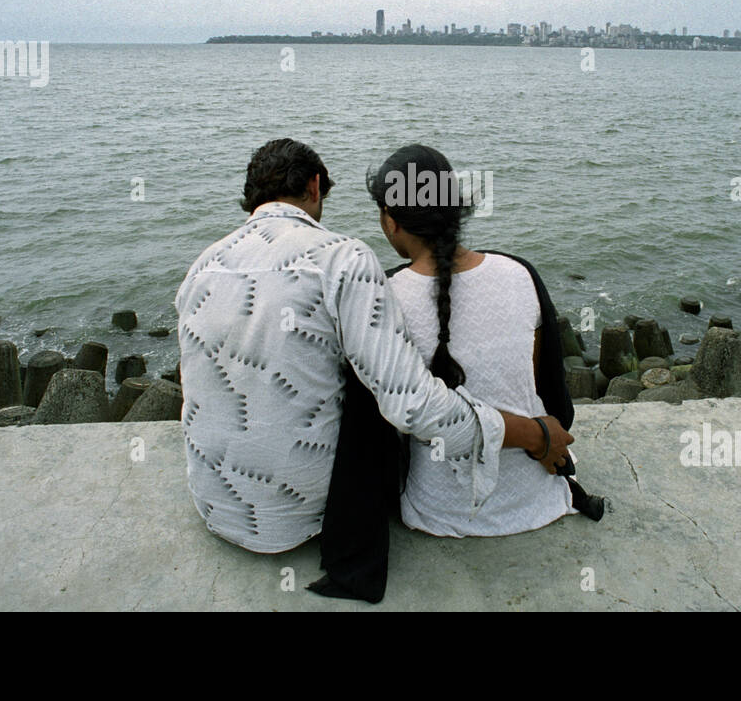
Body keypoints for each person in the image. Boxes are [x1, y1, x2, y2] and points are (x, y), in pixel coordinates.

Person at [174, 138, 573, 565]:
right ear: (314, 186)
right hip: (306, 516)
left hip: (213, 505)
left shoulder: (201, 265)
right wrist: (537, 433)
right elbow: (416, 404)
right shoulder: (343, 259)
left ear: (391, 220)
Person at [368, 143, 603, 536]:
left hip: (438, 510)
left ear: (391, 221)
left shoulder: (387, 295)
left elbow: (393, 420)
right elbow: (555, 397)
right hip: (535, 495)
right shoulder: (519, 273)